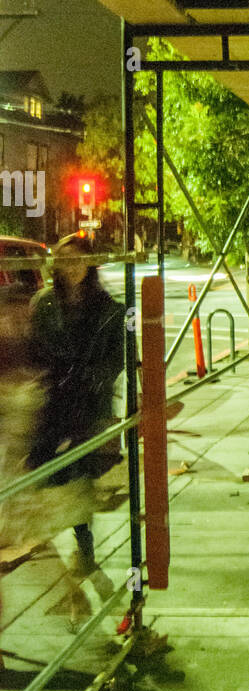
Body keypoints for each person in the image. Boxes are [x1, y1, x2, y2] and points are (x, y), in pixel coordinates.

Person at [27, 235, 126, 574]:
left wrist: (97, 380)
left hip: (87, 402)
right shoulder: (43, 304)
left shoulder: (109, 309)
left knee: (82, 471)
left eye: (77, 260)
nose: (70, 267)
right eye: (64, 260)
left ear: (90, 264)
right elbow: (32, 350)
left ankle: (84, 542)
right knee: (42, 465)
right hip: (53, 399)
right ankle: (57, 520)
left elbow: (120, 356)